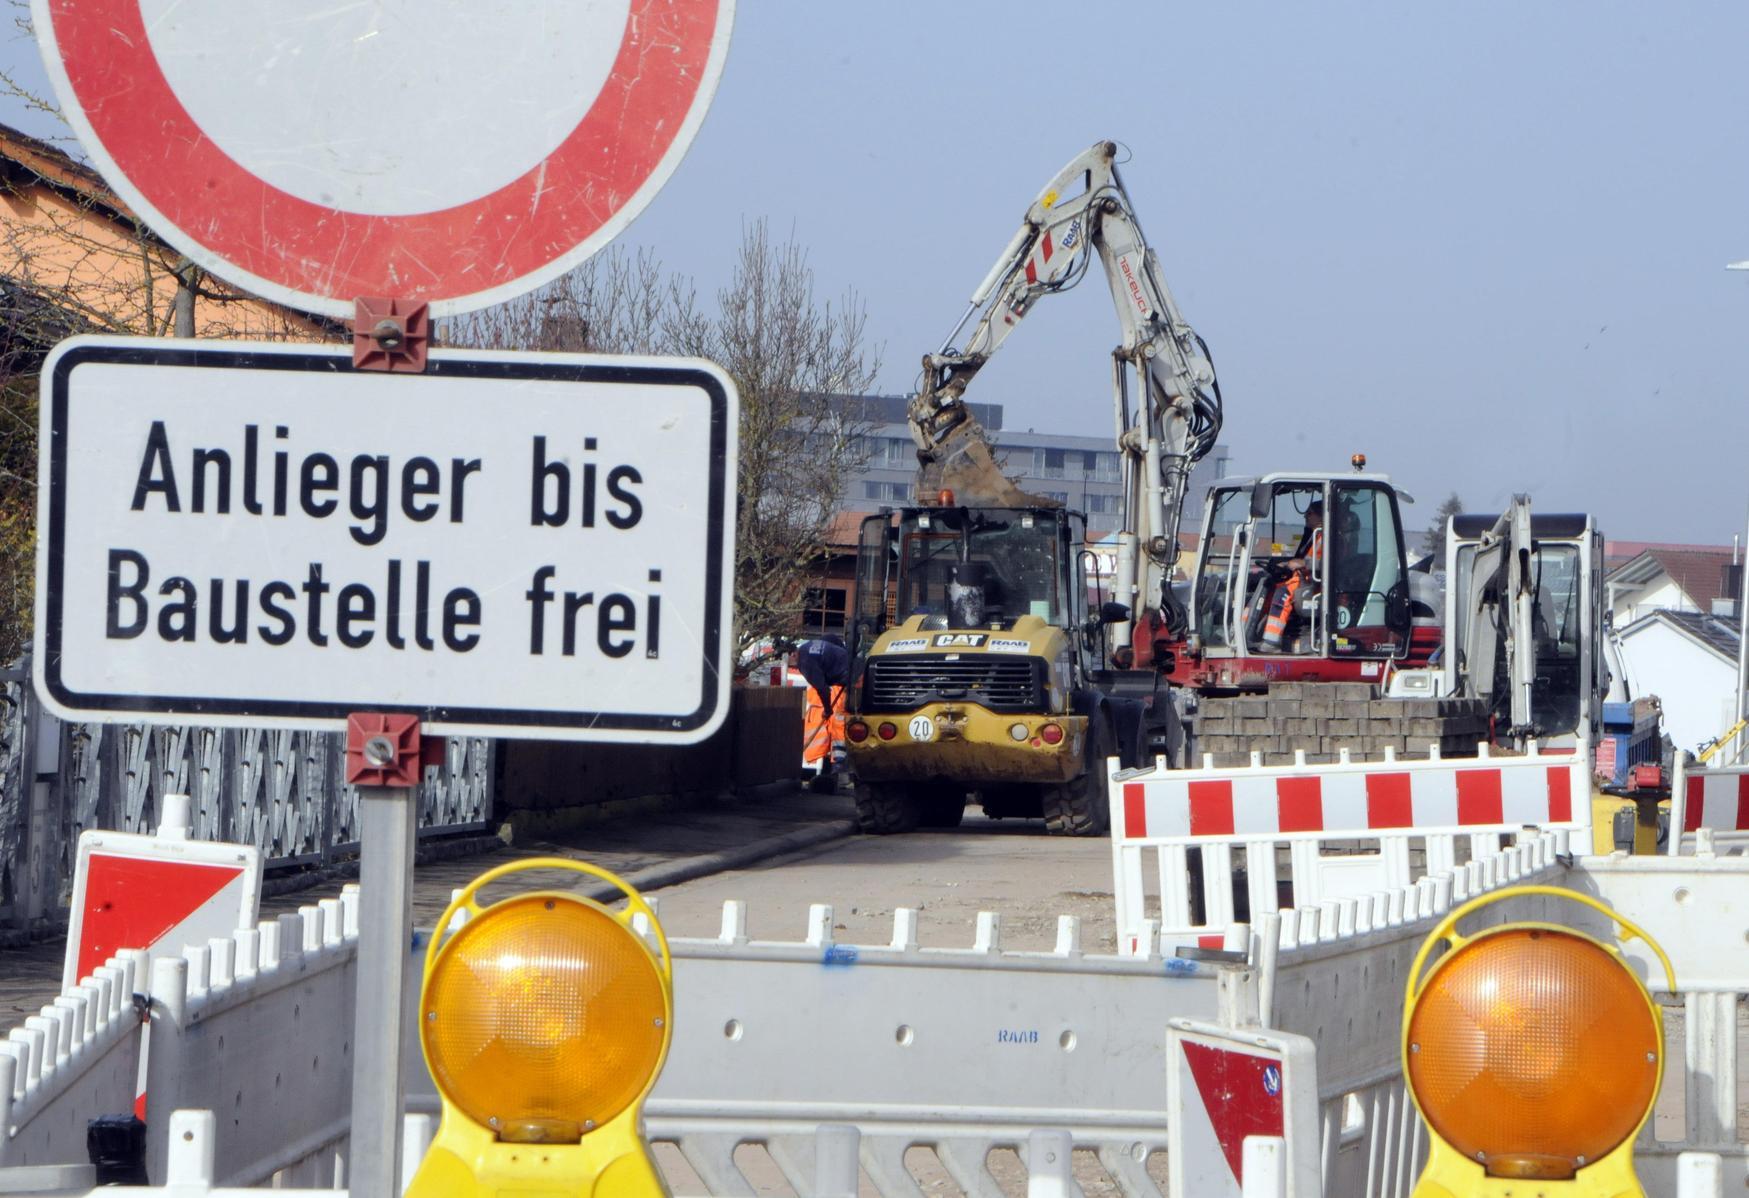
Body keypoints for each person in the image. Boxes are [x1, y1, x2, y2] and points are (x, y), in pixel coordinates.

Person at [1260, 501, 1323, 652]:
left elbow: (1324, 563)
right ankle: (1252, 631)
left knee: (1284, 592)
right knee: (1269, 584)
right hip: (1306, 578)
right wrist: (1288, 563)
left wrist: (1299, 563)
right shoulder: (1314, 536)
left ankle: (1271, 640)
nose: (1305, 516)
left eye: (1309, 513)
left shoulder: (1328, 537)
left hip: (1315, 583)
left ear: (1321, 515)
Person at [796, 634, 851, 786]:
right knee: (834, 743)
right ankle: (835, 773)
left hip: (826, 731)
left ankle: (834, 773)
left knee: (833, 743)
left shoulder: (819, 671)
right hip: (825, 729)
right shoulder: (833, 680)